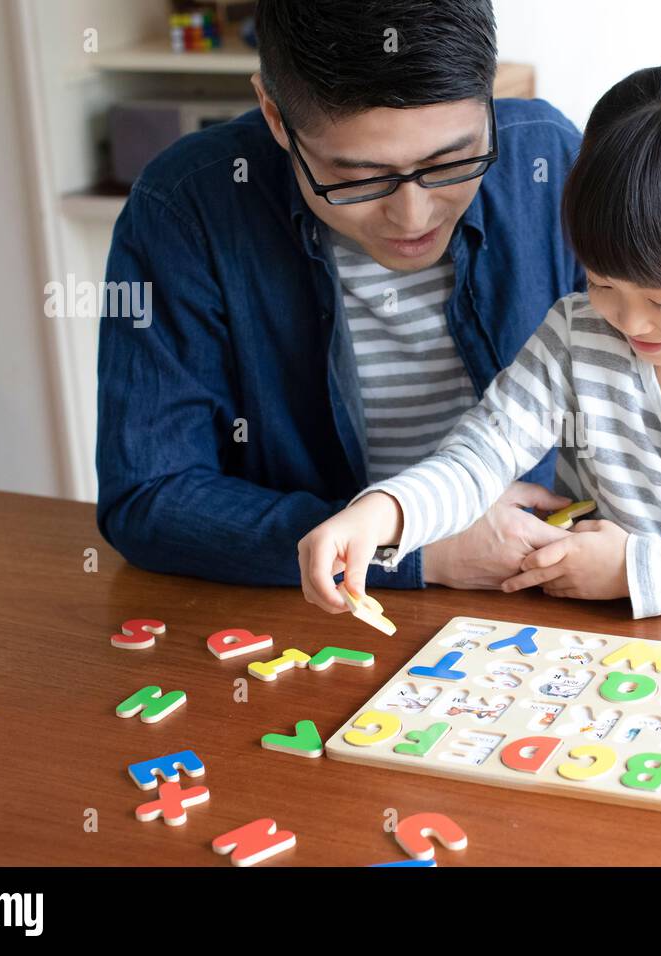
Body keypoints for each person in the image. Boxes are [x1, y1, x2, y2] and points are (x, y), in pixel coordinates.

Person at [298, 63, 661, 619]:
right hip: (592, 653)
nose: (629, 322)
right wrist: (383, 513)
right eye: (602, 282)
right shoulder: (577, 335)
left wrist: (633, 572)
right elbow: (479, 457)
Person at [96, 0, 585, 590]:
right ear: (276, 117)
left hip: (544, 594)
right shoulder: (187, 206)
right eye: (361, 178)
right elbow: (150, 497)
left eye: (452, 160)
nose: (414, 215)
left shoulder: (551, 163)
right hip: (317, 617)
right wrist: (413, 552)